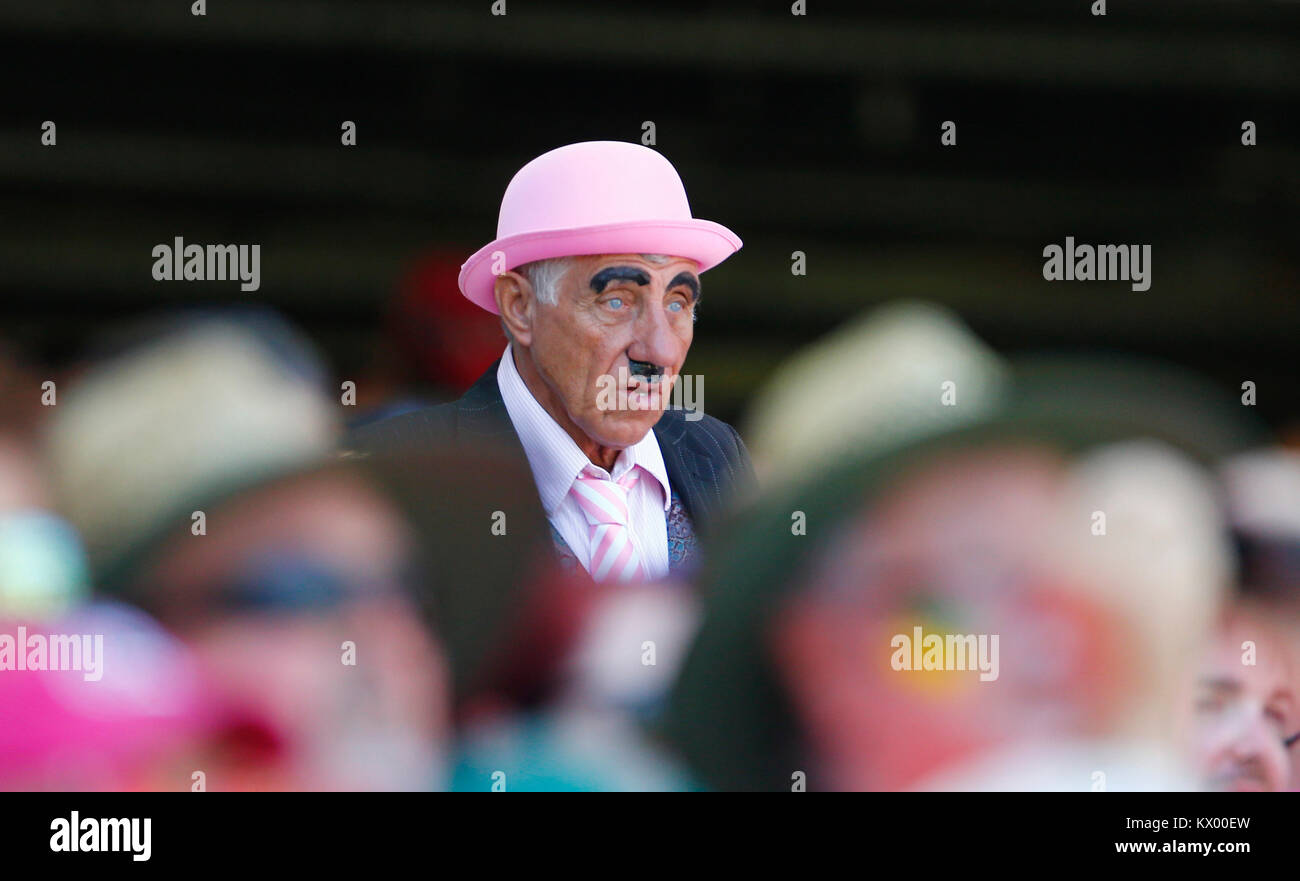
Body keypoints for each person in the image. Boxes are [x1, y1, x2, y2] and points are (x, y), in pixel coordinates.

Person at [350, 141, 756, 583]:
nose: (658, 351)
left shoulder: (713, 450)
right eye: (617, 300)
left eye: (678, 303)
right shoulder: (401, 470)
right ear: (520, 307)